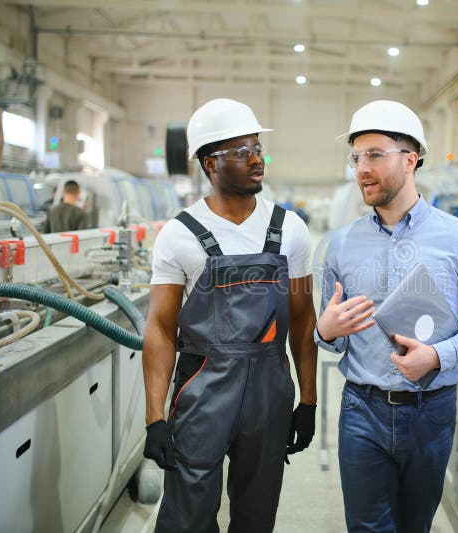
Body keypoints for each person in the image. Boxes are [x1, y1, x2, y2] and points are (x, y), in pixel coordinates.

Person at [315, 100, 458, 532]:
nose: (362, 168)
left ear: (411, 159)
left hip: (430, 412)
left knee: (414, 526)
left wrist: (438, 356)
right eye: (356, 157)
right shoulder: (341, 245)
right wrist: (325, 332)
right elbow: (334, 337)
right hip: (361, 409)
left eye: (374, 155)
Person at [142, 98, 318, 532]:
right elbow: (161, 328)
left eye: (258, 149)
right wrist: (155, 417)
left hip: (269, 389)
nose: (257, 159)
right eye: (242, 152)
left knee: (257, 515)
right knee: (189, 515)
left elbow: (302, 319)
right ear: (209, 163)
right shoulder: (179, 235)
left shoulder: (290, 230)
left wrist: (309, 400)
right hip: (203, 385)